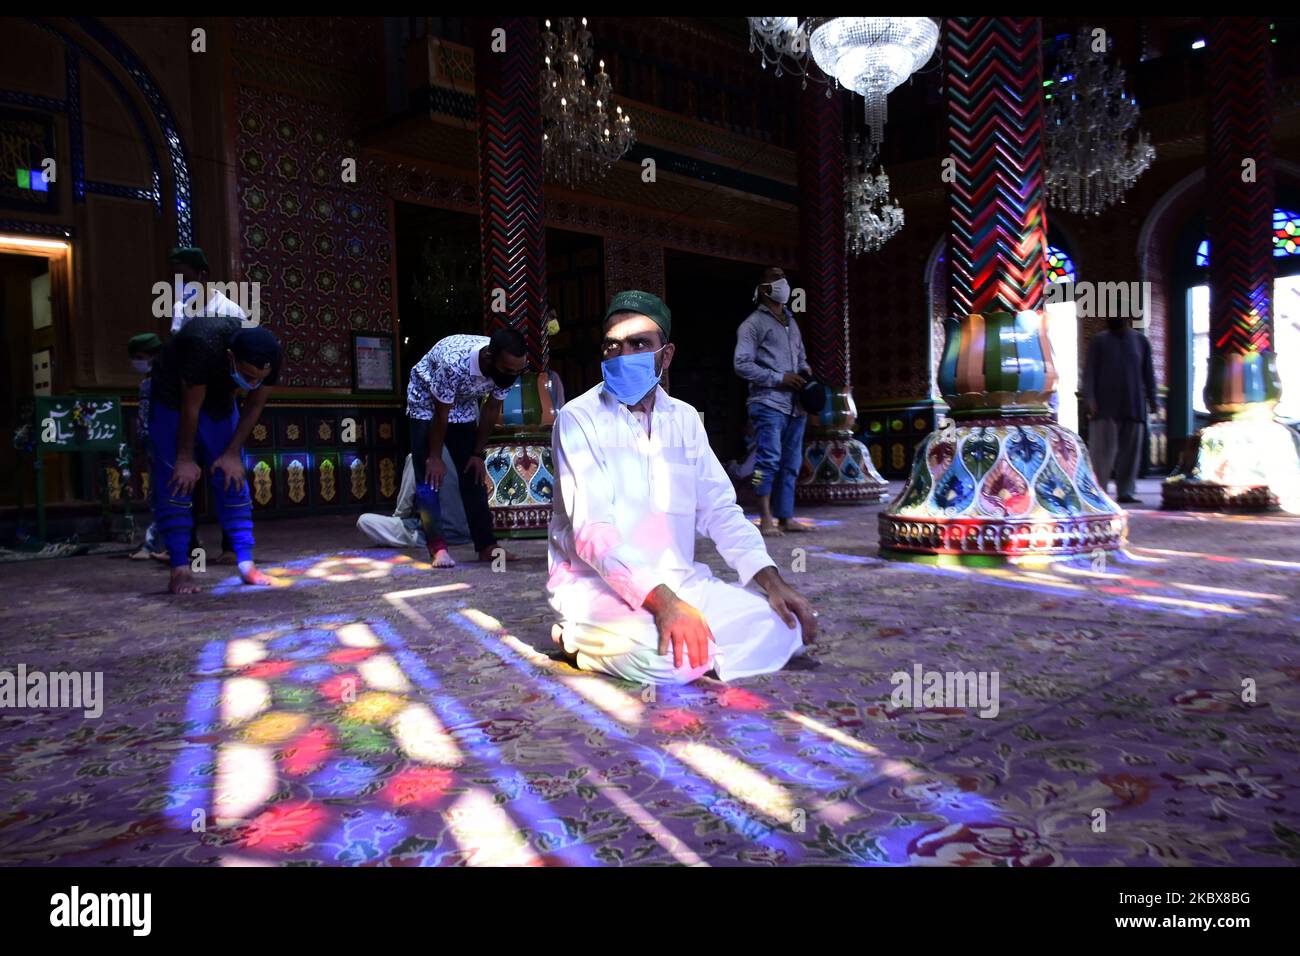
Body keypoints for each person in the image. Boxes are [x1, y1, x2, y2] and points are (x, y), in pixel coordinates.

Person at [548, 289, 818, 685]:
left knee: (786, 626)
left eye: (639, 344)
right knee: (672, 662)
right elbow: (593, 533)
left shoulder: (685, 418)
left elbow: (720, 510)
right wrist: (665, 605)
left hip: (682, 580)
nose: (623, 355)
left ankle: (698, 647)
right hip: (596, 587)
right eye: (612, 346)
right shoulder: (578, 418)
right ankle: (576, 636)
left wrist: (772, 581)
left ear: (666, 355)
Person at [149, 315, 280, 594]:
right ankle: (180, 567)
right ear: (231, 357)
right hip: (173, 399)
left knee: (232, 477)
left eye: (259, 379)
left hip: (219, 402)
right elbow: (191, 407)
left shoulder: (272, 354)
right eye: (247, 376)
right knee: (177, 482)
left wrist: (232, 454)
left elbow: (254, 406)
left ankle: (246, 563)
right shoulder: (201, 344)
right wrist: (185, 459)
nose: (252, 383)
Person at [406, 327, 528, 568]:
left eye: (517, 371)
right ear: (489, 358)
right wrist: (434, 457)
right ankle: (438, 547)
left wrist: (477, 453)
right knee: (428, 479)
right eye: (508, 371)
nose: (512, 376)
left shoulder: (509, 364)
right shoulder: (454, 364)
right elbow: (441, 414)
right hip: (426, 402)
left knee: (473, 474)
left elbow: (491, 408)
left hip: (463, 402)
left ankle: (487, 546)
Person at [734, 266, 814, 536]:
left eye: (784, 278)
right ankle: (765, 517)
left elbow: (801, 357)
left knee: (791, 463)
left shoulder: (792, 322)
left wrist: (805, 371)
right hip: (768, 402)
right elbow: (741, 364)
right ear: (764, 289)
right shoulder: (752, 324)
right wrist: (779, 378)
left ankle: (786, 517)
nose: (784, 283)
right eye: (777, 278)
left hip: (796, 406)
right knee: (766, 462)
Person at [1083, 315, 1158, 504]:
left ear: (1126, 318)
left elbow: (1148, 374)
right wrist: (1090, 399)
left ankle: (1126, 492)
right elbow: (1089, 373)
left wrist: (1153, 400)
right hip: (1103, 408)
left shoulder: (1141, 341)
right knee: (1101, 454)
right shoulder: (1098, 341)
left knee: (1130, 454)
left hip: (1133, 406)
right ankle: (1099, 492)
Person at [355, 453, 471, 549]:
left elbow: (404, 507)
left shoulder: (417, 456)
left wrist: (399, 520)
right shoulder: (465, 454)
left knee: (364, 520)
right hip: (465, 534)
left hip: (429, 535)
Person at [125, 333, 167, 561]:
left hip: (163, 444)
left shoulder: (164, 382)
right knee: (157, 495)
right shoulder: (148, 382)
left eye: (140, 357)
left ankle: (157, 545)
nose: (136, 362)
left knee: (163, 494)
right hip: (153, 444)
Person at [167, 245, 248, 334]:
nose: (178, 286)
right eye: (174, 280)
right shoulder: (179, 308)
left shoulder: (231, 311)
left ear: (203, 276)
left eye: (184, 279)